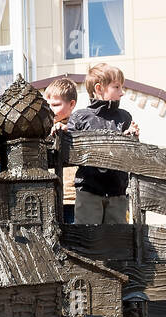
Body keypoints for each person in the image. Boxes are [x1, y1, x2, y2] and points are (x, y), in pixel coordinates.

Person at [69, 63, 140, 225]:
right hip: (89, 189)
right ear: (99, 88)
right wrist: (61, 131)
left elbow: (133, 154)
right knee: (88, 238)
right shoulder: (80, 117)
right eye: (117, 87)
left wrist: (132, 139)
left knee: (116, 240)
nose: (122, 93)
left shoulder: (124, 117)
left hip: (117, 191)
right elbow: (69, 147)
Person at [43, 77, 79, 224]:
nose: (51, 109)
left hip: (72, 195)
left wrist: (66, 131)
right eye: (48, 105)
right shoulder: (44, 128)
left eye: (56, 105)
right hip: (51, 193)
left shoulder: (77, 125)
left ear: (71, 104)